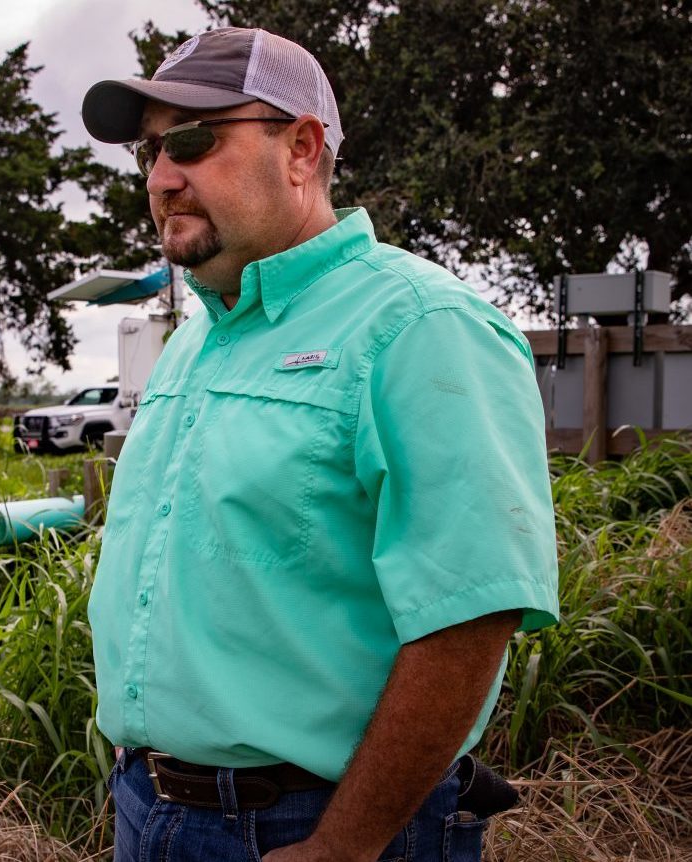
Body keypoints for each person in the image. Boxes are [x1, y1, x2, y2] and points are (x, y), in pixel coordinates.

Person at [80, 27, 560, 862]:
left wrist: (344, 844)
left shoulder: (419, 326)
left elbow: (469, 614)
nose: (160, 178)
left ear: (301, 149)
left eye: (192, 142)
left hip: (315, 830)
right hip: (154, 812)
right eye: (150, 152)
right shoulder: (198, 338)